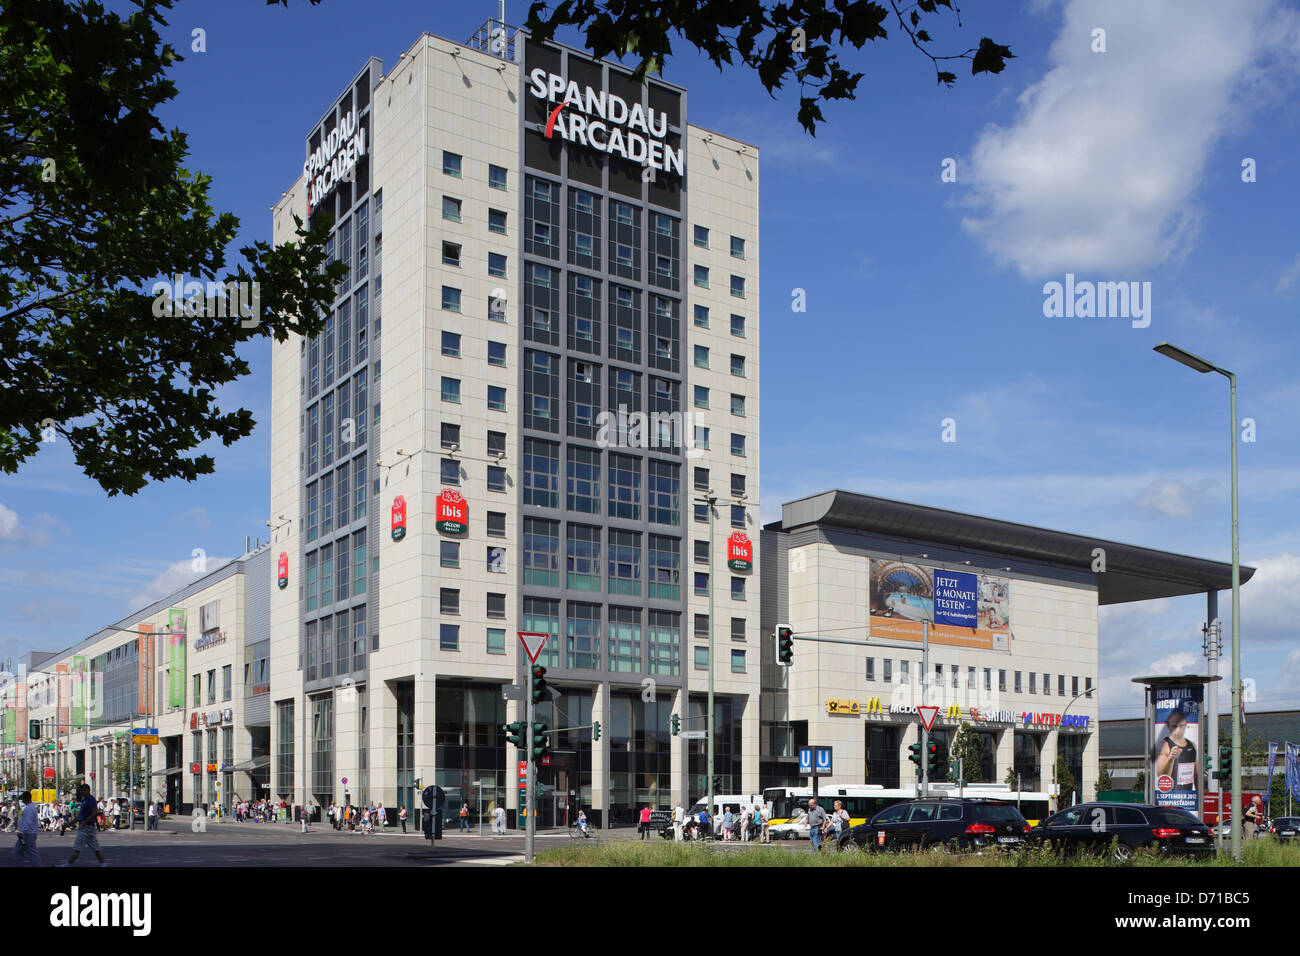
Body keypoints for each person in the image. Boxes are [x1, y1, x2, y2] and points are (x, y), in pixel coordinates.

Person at [58, 785, 107, 867]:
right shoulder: (85, 800)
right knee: (96, 848)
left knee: (77, 847)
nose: (82, 792)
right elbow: (79, 816)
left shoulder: (90, 799)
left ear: (88, 790)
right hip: (87, 827)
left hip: (86, 827)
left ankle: (67, 864)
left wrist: (85, 821)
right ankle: (104, 864)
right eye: (81, 791)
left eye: (83, 791)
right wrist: (69, 824)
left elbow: (95, 812)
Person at [1154, 709, 1199, 792]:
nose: (1178, 730)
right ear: (1168, 726)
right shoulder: (1163, 745)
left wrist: (1200, 794)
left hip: (1189, 798)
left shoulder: (1192, 745)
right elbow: (1161, 776)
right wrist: (1171, 759)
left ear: (1185, 725)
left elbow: (1196, 774)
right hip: (1169, 797)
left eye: (1181, 726)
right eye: (1174, 726)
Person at [13, 792, 41, 868]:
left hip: (27, 834)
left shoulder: (29, 809)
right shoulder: (32, 808)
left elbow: (27, 822)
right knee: (19, 851)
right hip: (29, 833)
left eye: (22, 799)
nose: (22, 801)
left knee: (31, 853)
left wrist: (21, 832)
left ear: (26, 799)